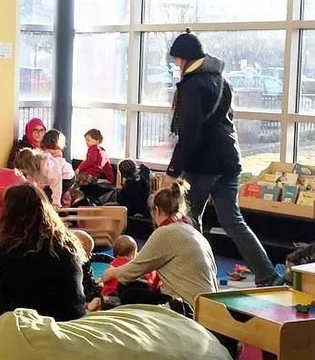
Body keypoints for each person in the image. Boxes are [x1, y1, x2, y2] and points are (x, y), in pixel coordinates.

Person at [166, 30, 279, 286]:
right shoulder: (222, 80)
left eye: (176, 59)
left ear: (184, 58)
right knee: (233, 222)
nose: (175, 64)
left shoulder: (193, 85)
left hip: (204, 164)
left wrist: (174, 169)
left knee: (189, 218)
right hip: (229, 160)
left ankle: (197, 275)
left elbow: (190, 132)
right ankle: (269, 275)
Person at [0, 183, 87, 326]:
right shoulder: (69, 245)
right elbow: (75, 300)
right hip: (66, 327)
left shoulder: (6, 250)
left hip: (21, 329)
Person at [101, 180, 218, 315]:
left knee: (129, 294)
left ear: (156, 210)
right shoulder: (190, 230)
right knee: (133, 286)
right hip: (207, 304)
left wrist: (112, 272)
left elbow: (133, 271)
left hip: (186, 305)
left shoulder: (165, 232)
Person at [88, 235, 160, 311]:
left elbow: (104, 279)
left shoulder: (112, 264)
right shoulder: (132, 265)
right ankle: (102, 301)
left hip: (108, 292)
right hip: (120, 294)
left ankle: (101, 301)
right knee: (123, 300)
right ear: (133, 254)